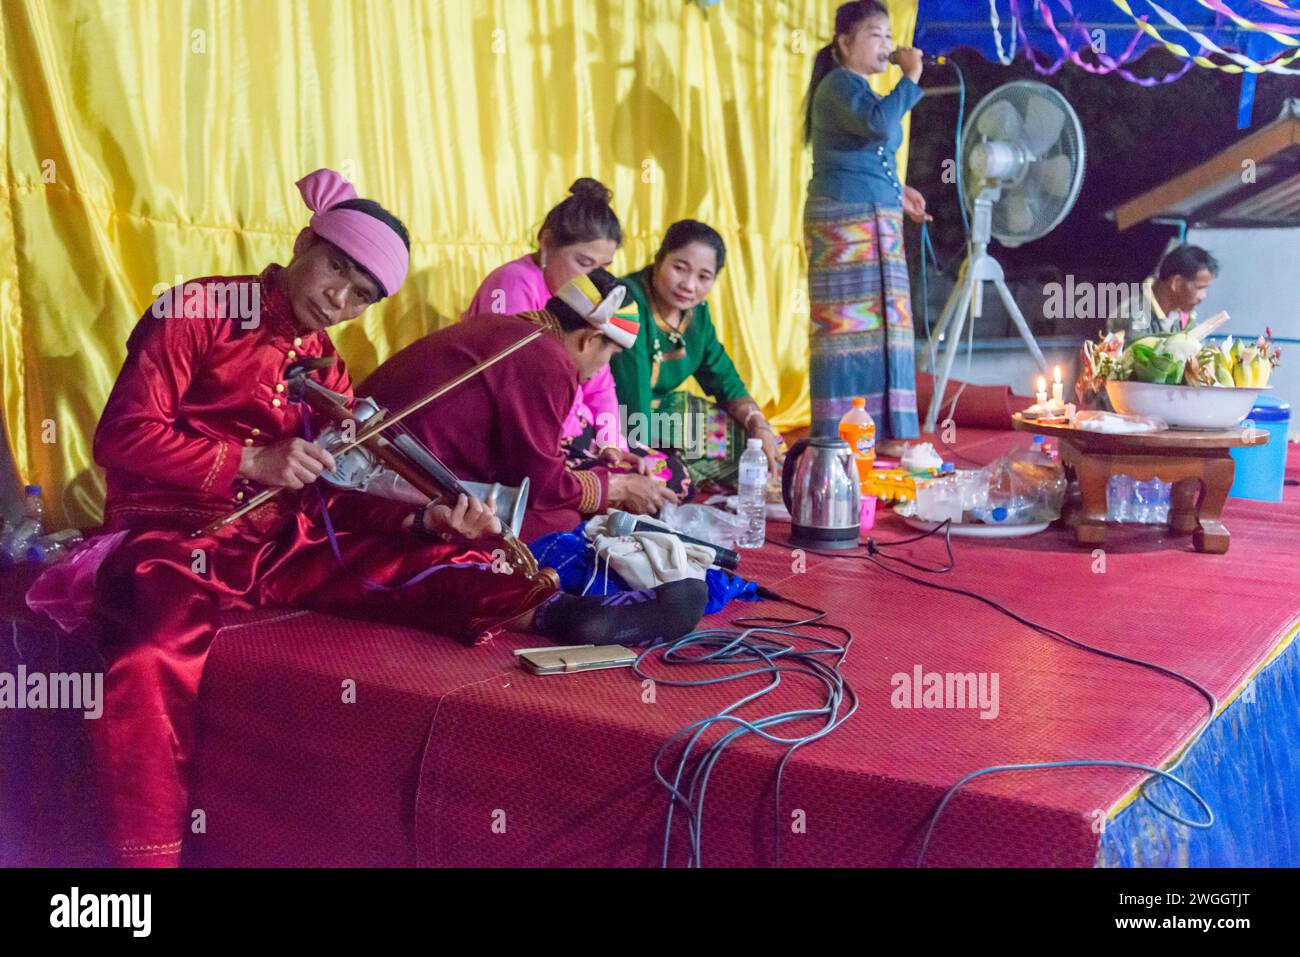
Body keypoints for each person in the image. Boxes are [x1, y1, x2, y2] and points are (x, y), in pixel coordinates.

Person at [82, 170, 707, 866]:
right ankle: (144, 865)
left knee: (457, 562)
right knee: (150, 655)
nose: (338, 298)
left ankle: (575, 619)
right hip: (175, 533)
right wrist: (250, 462)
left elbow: (333, 492)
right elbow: (120, 437)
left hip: (280, 537)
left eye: (362, 294)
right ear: (302, 242)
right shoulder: (198, 309)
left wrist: (429, 521)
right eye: (334, 270)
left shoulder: (326, 364)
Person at [362, 269, 679, 541]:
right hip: (384, 479)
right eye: (611, 354)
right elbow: (539, 488)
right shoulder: (547, 359)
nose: (603, 367)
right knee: (558, 523)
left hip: (375, 451)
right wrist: (619, 488)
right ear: (590, 339)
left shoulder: (516, 330)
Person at [803, 0, 930, 442]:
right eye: (876, 35)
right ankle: (843, 431)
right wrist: (910, 76)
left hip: (877, 216)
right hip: (843, 220)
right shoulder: (839, 86)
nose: (887, 45)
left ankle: (884, 429)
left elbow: (875, 150)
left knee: (885, 328)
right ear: (843, 42)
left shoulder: (863, 90)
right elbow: (877, 127)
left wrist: (899, 191)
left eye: (889, 36)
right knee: (849, 330)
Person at [611, 220, 780, 488]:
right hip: (619, 422)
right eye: (680, 268)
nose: (689, 285)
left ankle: (682, 473)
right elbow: (634, 407)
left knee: (761, 445)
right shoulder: (629, 303)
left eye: (703, 277)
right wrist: (643, 458)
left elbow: (724, 378)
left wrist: (758, 424)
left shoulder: (696, 313)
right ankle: (659, 478)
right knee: (684, 421)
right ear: (658, 259)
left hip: (660, 423)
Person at [1107, 244, 1220, 337]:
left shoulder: (1179, 315)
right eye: (1199, 288)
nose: (1203, 296)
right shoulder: (1134, 315)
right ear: (1176, 283)